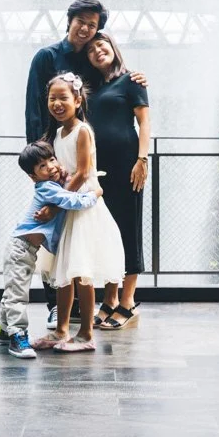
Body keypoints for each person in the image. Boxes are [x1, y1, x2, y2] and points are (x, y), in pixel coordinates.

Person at [34, 73, 125, 352]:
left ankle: (86, 334)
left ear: (77, 100)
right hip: (68, 203)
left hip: (82, 205)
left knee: (81, 271)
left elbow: (84, 171)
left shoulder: (82, 130)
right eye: (52, 98)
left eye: (63, 98)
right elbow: (63, 170)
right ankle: (61, 330)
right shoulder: (58, 133)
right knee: (64, 270)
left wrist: (58, 202)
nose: (57, 103)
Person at [0, 141, 102, 359]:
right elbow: (72, 201)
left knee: (13, 290)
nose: (50, 166)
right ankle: (18, 336)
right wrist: (95, 193)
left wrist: (65, 177)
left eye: (52, 160)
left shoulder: (53, 185)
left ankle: (5, 330)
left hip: (24, 249)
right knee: (18, 294)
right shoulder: (47, 188)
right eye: (42, 166)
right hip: (20, 250)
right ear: (33, 177)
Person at [83, 31, 149, 330]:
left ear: (113, 48)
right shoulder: (93, 88)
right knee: (108, 231)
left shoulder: (132, 81)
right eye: (92, 49)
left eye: (102, 44)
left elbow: (144, 122)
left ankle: (127, 302)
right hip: (100, 168)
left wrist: (142, 159)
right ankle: (109, 300)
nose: (98, 50)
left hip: (127, 165)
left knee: (128, 228)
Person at [23, 0, 105, 142]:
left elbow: (114, 81)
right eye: (80, 21)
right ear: (69, 21)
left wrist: (134, 77)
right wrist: (37, 150)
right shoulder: (46, 57)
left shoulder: (95, 60)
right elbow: (33, 107)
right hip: (51, 143)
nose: (85, 28)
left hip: (86, 146)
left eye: (92, 25)